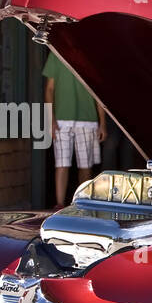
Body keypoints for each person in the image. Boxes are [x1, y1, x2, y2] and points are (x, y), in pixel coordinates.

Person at [43, 54, 105, 207]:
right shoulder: (56, 53)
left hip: (88, 119)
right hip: (62, 120)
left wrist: (102, 123)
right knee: (61, 163)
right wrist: (50, 120)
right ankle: (59, 205)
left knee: (85, 166)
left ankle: (83, 204)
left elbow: (98, 93)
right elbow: (49, 89)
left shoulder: (90, 56)